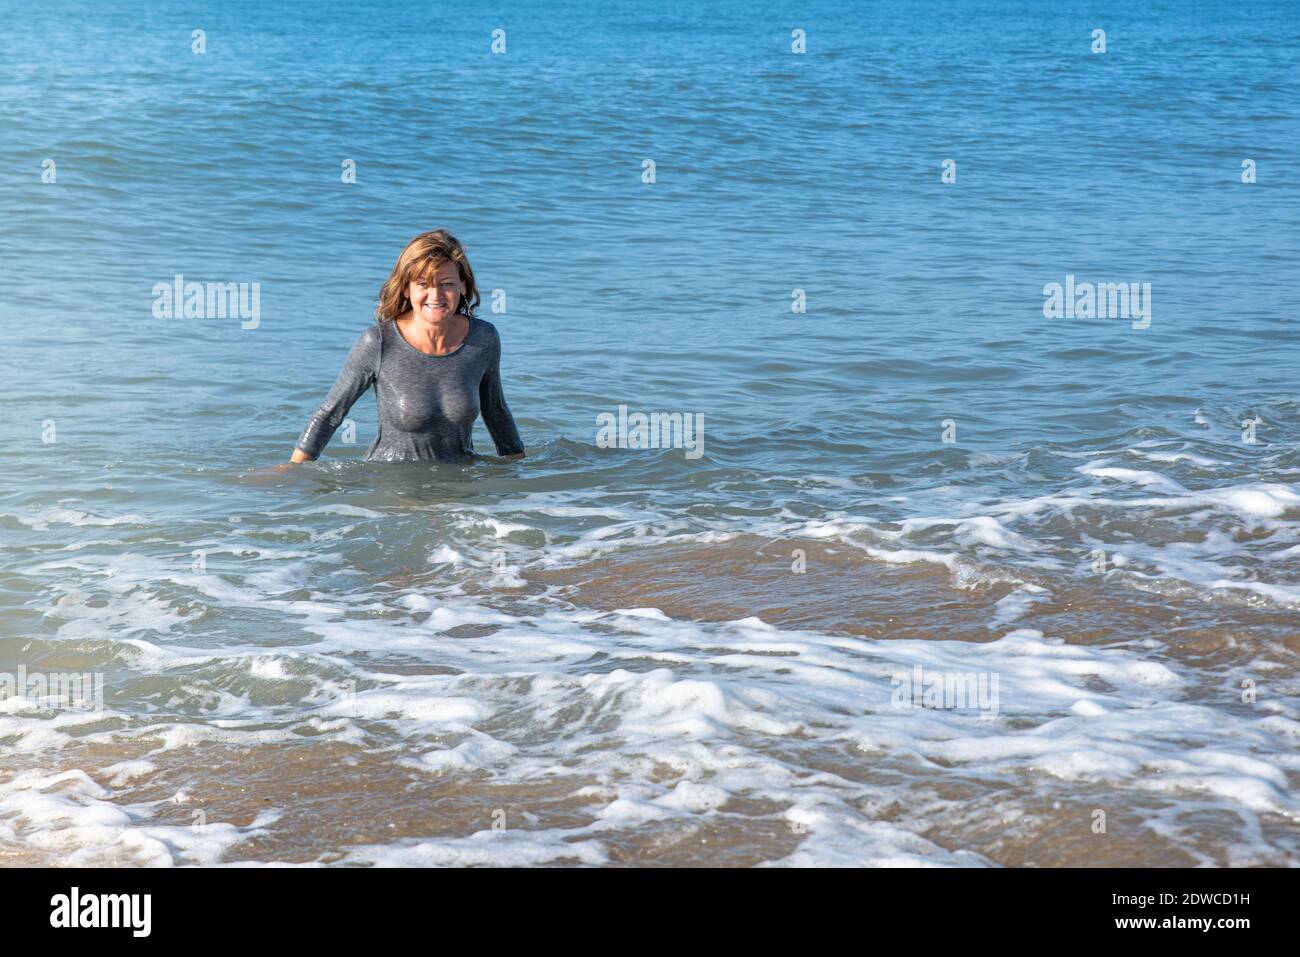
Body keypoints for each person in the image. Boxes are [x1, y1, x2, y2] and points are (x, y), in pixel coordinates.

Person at [290, 230, 526, 464]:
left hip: (459, 487)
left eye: (446, 284)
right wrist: (292, 473)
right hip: (393, 485)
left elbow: (496, 411)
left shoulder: (483, 339)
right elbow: (330, 414)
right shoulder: (379, 343)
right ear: (406, 288)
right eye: (423, 284)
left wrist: (522, 475)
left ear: (463, 286)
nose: (435, 295)